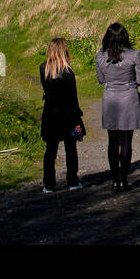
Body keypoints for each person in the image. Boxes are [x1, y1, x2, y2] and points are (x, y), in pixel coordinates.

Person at [96, 23, 140, 192]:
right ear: (125, 36)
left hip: (110, 98)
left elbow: (101, 79)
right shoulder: (134, 55)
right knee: (126, 141)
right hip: (128, 97)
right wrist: (130, 83)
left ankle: (114, 180)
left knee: (112, 141)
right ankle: (124, 180)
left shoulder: (101, 56)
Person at [40, 37, 85, 193]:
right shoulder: (68, 71)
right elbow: (73, 96)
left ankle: (48, 184)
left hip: (50, 113)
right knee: (70, 149)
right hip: (67, 114)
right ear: (64, 50)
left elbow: (46, 90)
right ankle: (72, 180)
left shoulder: (43, 68)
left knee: (50, 150)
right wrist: (77, 116)